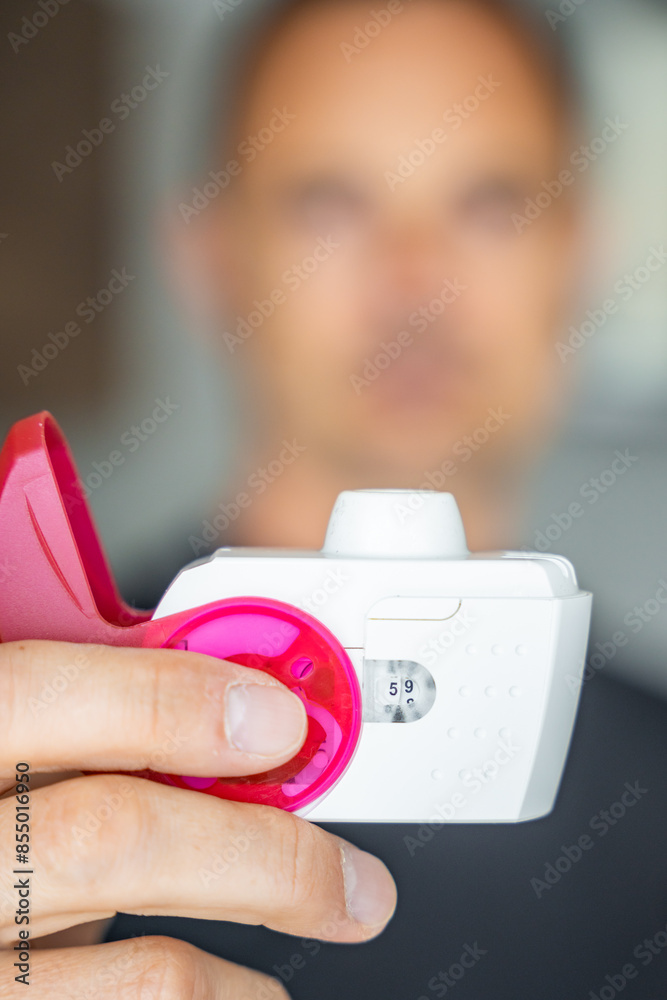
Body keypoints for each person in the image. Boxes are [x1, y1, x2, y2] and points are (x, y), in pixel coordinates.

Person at [2, 1, 667, 998]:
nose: (414, 282)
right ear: (208, 254)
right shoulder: (30, 744)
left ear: (578, 254)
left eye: (487, 203)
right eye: (332, 204)